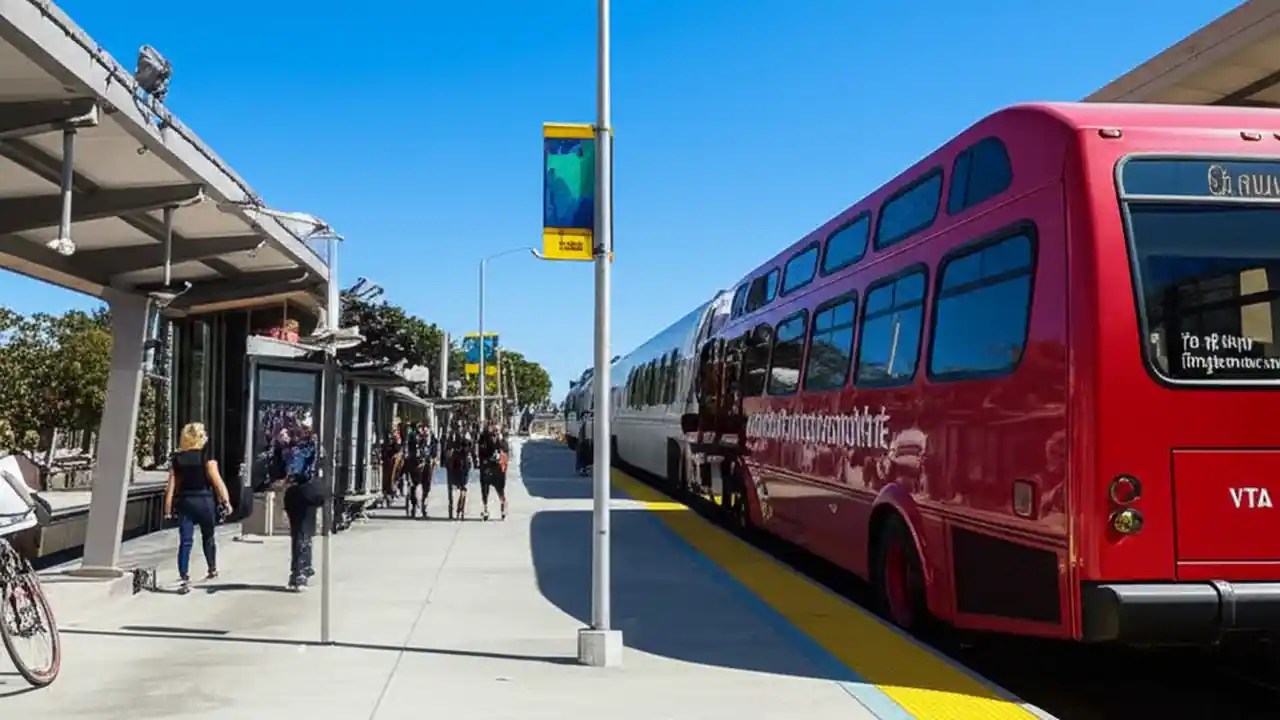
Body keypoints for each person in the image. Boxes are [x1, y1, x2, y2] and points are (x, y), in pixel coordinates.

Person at [163, 422, 232, 595]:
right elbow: (218, 483)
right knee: (208, 537)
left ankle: (184, 575)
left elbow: (171, 487)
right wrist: (226, 502)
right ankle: (212, 568)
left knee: (185, 541)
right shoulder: (206, 458)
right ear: (201, 438)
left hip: (186, 501)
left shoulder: (177, 459)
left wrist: (168, 509)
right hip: (205, 500)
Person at [282, 419, 321, 591]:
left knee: (300, 531)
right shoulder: (313, 447)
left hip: (297, 491)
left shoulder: (292, 447)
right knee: (304, 531)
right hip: (308, 491)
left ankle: (301, 568)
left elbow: (291, 470)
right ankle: (301, 571)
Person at [477, 421, 510, 521]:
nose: (495, 432)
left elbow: (506, 451)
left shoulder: (502, 440)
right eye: (494, 430)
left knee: (500, 489)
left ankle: (503, 505)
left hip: (498, 468)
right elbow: (480, 451)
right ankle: (485, 508)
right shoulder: (484, 438)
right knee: (485, 489)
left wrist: (501, 443)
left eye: (497, 430)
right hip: (487, 466)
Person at [443, 421, 475, 520]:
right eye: (457, 426)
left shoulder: (466, 433)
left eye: (460, 426)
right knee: (451, 459)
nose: (459, 428)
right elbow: (448, 446)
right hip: (455, 456)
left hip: (464, 457)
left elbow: (470, 445)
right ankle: (451, 503)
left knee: (468, 460)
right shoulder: (452, 434)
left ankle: (462, 507)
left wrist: (470, 453)